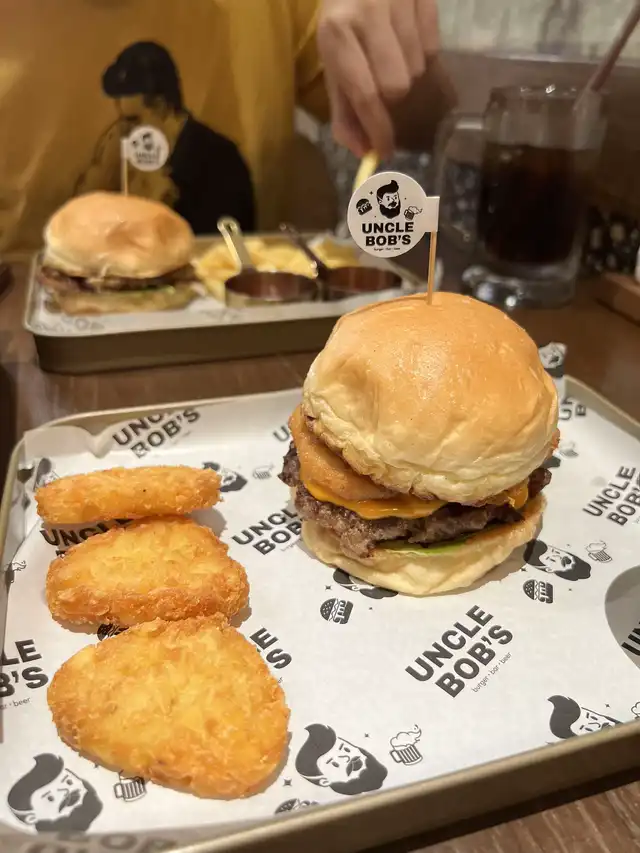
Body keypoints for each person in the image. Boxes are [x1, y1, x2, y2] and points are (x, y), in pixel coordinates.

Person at [0, 0, 453, 253]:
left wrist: (398, 42)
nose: (124, 132)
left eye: (134, 120)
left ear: (166, 106)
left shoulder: (214, 159)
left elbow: (422, 127)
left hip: (244, 325)